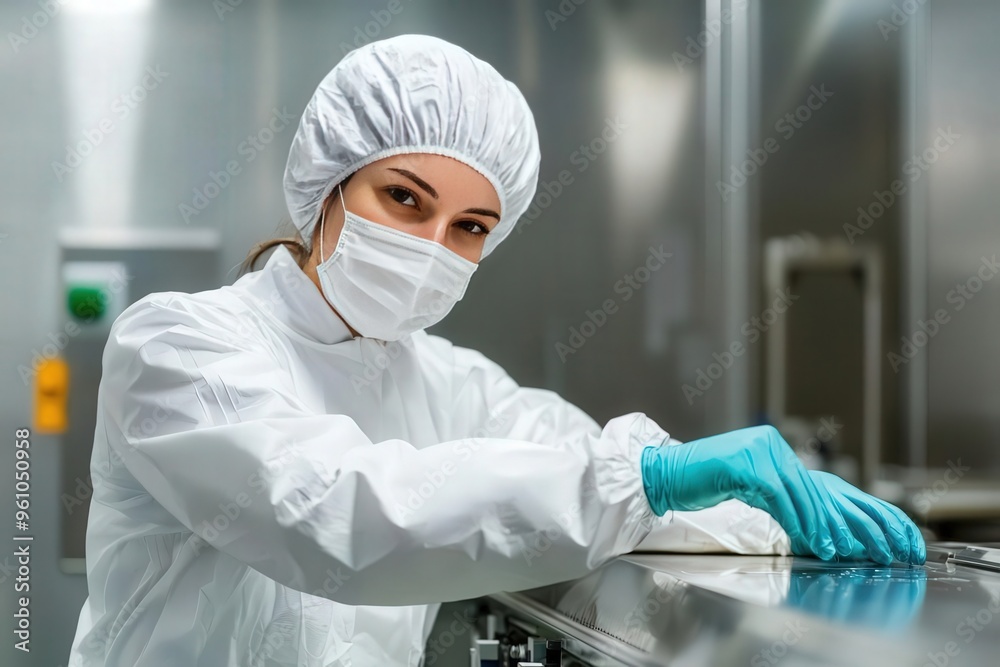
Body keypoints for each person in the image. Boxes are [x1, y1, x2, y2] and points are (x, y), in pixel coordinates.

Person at [67, 34, 924, 666]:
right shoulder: (179, 346)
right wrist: (651, 474)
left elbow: (579, 471)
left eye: (470, 226)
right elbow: (337, 517)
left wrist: (765, 512)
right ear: (328, 185)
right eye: (405, 198)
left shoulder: (444, 380)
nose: (434, 242)